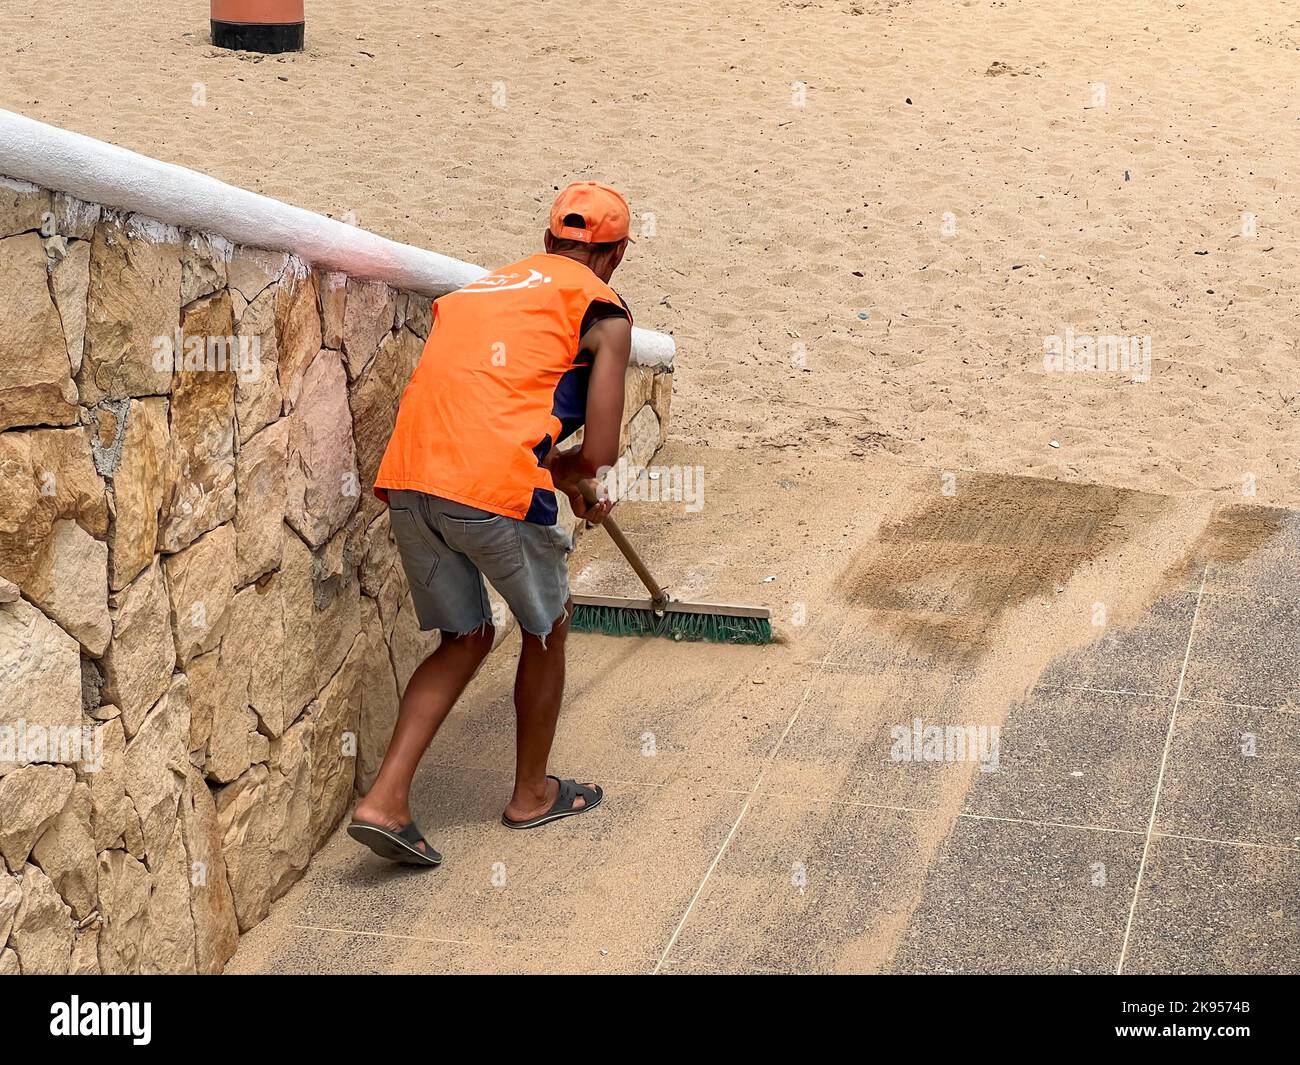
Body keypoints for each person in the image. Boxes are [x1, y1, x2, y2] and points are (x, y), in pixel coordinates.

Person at [347, 181, 635, 866]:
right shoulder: (605, 311)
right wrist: (571, 476)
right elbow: (602, 449)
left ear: (546, 243)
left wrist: (560, 473)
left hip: (412, 477)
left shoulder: (480, 290)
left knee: (466, 633)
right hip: (494, 485)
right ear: (617, 256)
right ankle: (532, 793)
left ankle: (384, 801)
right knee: (547, 623)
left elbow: (501, 399)